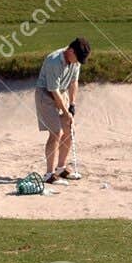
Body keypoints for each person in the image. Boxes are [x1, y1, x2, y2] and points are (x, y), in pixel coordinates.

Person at [35, 37, 90, 182]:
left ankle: (61, 168)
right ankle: (49, 174)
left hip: (62, 92)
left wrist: (72, 105)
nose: (78, 62)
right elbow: (54, 91)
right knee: (56, 132)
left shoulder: (75, 61)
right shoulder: (54, 61)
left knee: (69, 129)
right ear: (70, 51)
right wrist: (65, 113)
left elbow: (73, 82)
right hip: (46, 94)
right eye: (77, 58)